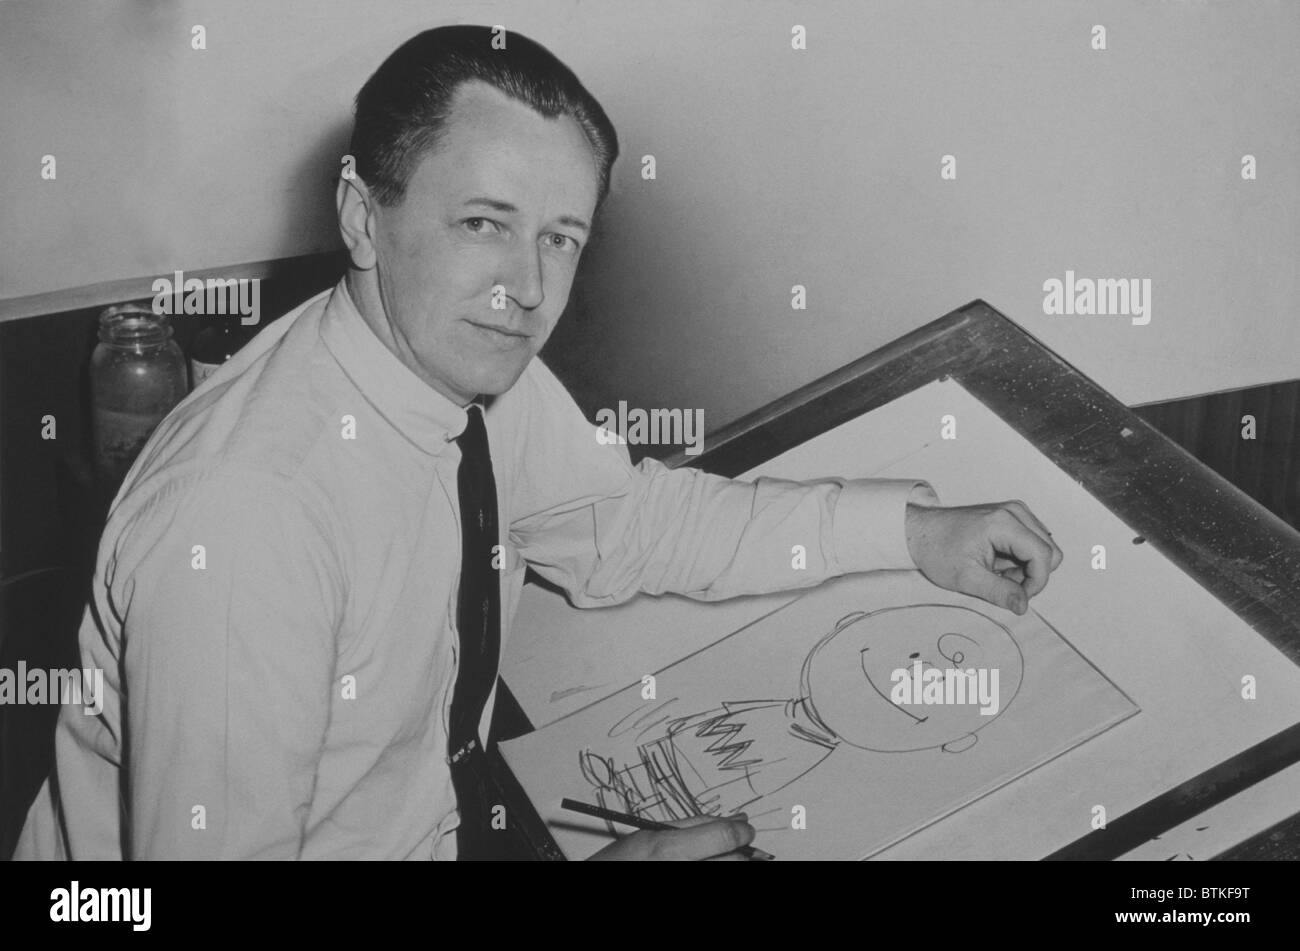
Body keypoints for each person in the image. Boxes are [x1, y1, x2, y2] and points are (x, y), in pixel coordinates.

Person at [14, 24, 1061, 861]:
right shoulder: (250, 520)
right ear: (361, 215)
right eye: (484, 222)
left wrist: (912, 532)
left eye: (560, 238)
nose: (527, 286)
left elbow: (627, 526)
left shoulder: (461, 364)